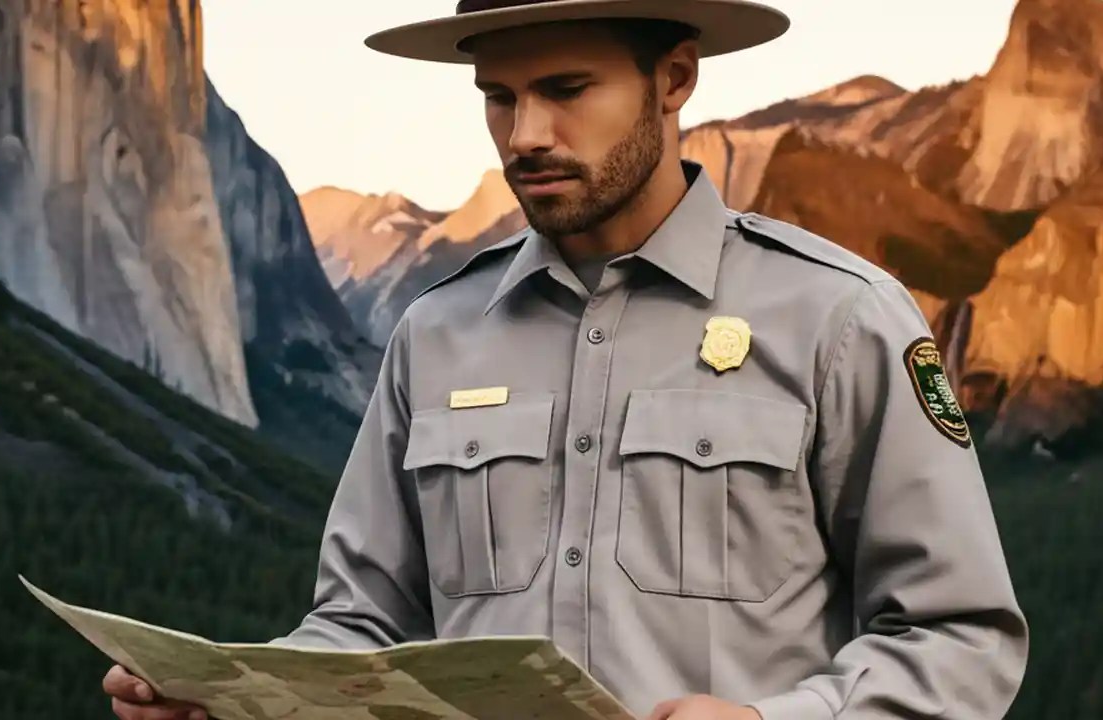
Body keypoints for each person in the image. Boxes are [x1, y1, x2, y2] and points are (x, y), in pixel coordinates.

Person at [103, 1, 1030, 718]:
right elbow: (366, 623)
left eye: (567, 89)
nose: (525, 135)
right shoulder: (434, 334)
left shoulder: (840, 318)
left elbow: (962, 635)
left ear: (674, 78)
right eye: (499, 97)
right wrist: (233, 698)